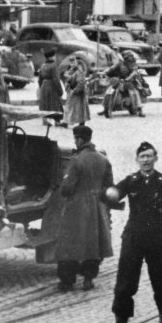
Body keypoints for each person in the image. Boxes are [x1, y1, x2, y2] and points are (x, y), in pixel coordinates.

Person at [110, 142, 162, 323]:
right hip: (133, 236)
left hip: (157, 238)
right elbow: (114, 194)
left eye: (149, 156)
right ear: (137, 160)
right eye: (142, 157)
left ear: (155, 158)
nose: (146, 160)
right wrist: (109, 194)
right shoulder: (131, 181)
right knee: (125, 282)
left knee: (161, 283)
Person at [55, 125, 113, 292]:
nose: (75, 141)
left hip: (77, 207)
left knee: (69, 244)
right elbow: (109, 186)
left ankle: (67, 281)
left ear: (79, 139)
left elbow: (67, 188)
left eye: (76, 139)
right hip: (97, 208)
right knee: (93, 244)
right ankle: (88, 278)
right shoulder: (103, 159)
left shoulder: (76, 160)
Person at [37, 49, 65, 125]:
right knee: (55, 104)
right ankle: (57, 121)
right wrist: (60, 91)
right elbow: (56, 79)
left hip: (44, 86)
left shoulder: (43, 65)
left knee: (45, 104)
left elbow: (39, 79)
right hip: (52, 86)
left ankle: (45, 120)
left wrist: (41, 87)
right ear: (51, 57)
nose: (55, 57)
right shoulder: (53, 66)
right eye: (54, 56)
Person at [63, 59, 91, 127]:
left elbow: (81, 83)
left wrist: (75, 91)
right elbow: (67, 80)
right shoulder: (69, 71)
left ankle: (81, 122)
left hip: (78, 93)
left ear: (76, 63)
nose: (72, 64)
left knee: (80, 108)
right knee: (69, 108)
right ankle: (66, 122)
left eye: (74, 62)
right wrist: (68, 87)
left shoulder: (79, 71)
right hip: (71, 91)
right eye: (71, 63)